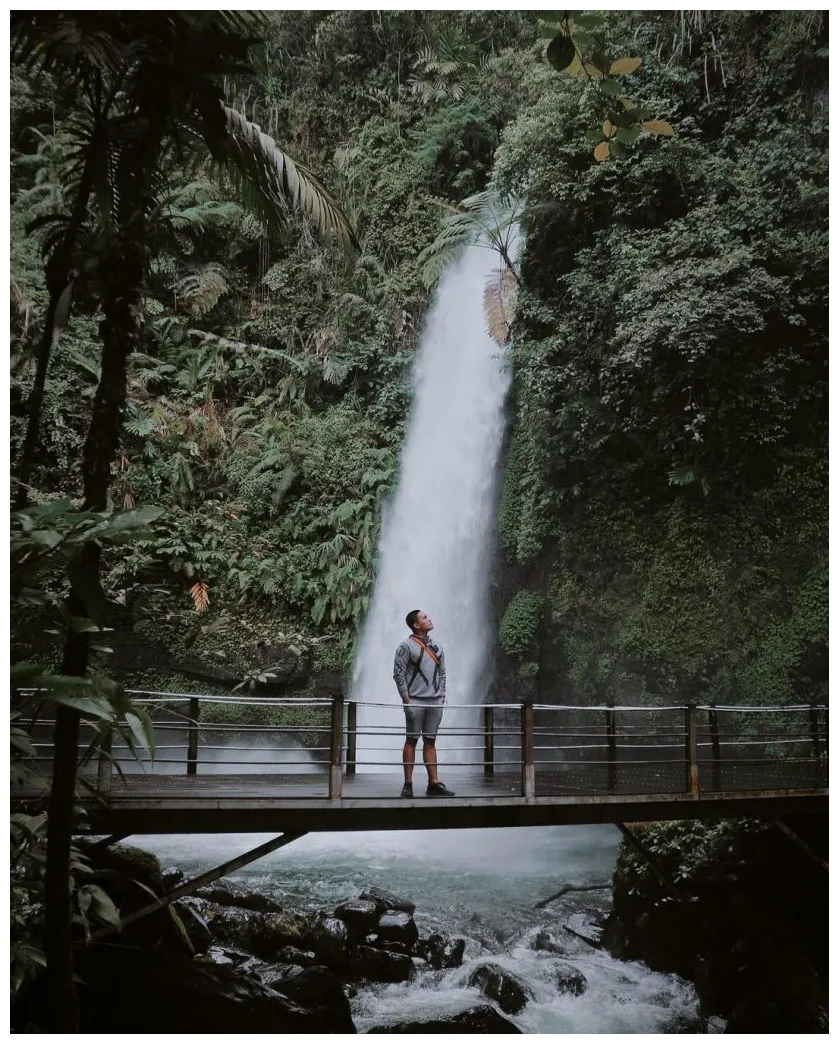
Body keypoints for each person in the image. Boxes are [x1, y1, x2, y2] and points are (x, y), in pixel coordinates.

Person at [393, 609, 455, 798]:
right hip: (415, 700)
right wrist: (406, 697)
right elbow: (398, 672)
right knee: (411, 740)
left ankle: (433, 783)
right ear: (416, 625)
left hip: (435, 701)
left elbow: (443, 672)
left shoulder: (437, 646)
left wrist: (442, 694)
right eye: (424, 617)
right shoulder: (405, 646)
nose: (429, 619)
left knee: (430, 741)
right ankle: (408, 784)